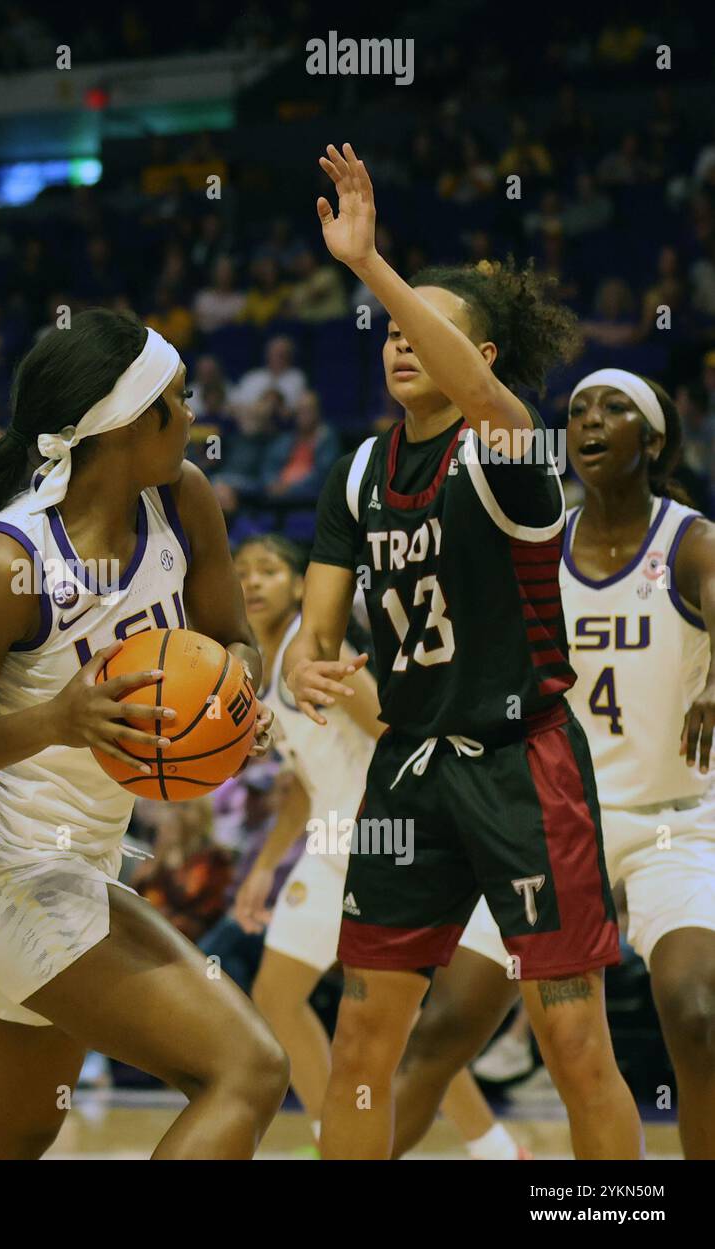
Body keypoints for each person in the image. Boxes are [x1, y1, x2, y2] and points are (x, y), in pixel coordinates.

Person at [0, 309, 286, 1159]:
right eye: (179, 399)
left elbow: (232, 634)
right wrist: (55, 720)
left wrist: (237, 696)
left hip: (78, 851)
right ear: (129, 422)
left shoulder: (183, 499)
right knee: (247, 1069)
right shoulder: (1, 565)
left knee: (5, 1135)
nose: (195, 417)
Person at [284, 143, 641, 1159]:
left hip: (522, 764)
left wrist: (368, 266)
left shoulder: (513, 452)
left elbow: (492, 408)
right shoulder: (356, 471)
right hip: (408, 768)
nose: (400, 343)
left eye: (425, 331)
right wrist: (313, 662)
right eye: (391, 333)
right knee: (361, 1034)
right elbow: (320, 623)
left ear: (475, 355)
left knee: (573, 1042)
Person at [395, 370, 715, 1159]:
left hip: (672, 823)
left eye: (614, 409)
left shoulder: (691, 540)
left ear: (655, 440)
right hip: (557, 817)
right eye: (575, 412)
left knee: (699, 1011)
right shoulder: (544, 540)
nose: (589, 422)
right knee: (440, 1025)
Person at [233, 534, 526, 1159]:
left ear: (298, 585)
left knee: (399, 1016)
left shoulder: (321, 648)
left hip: (386, 839)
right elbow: (301, 785)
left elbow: (397, 735)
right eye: (242, 571)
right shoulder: (260, 666)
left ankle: (496, 1148)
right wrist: (263, 868)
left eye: (269, 569)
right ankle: (329, 1137)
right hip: (333, 840)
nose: (252, 582)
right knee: (278, 998)